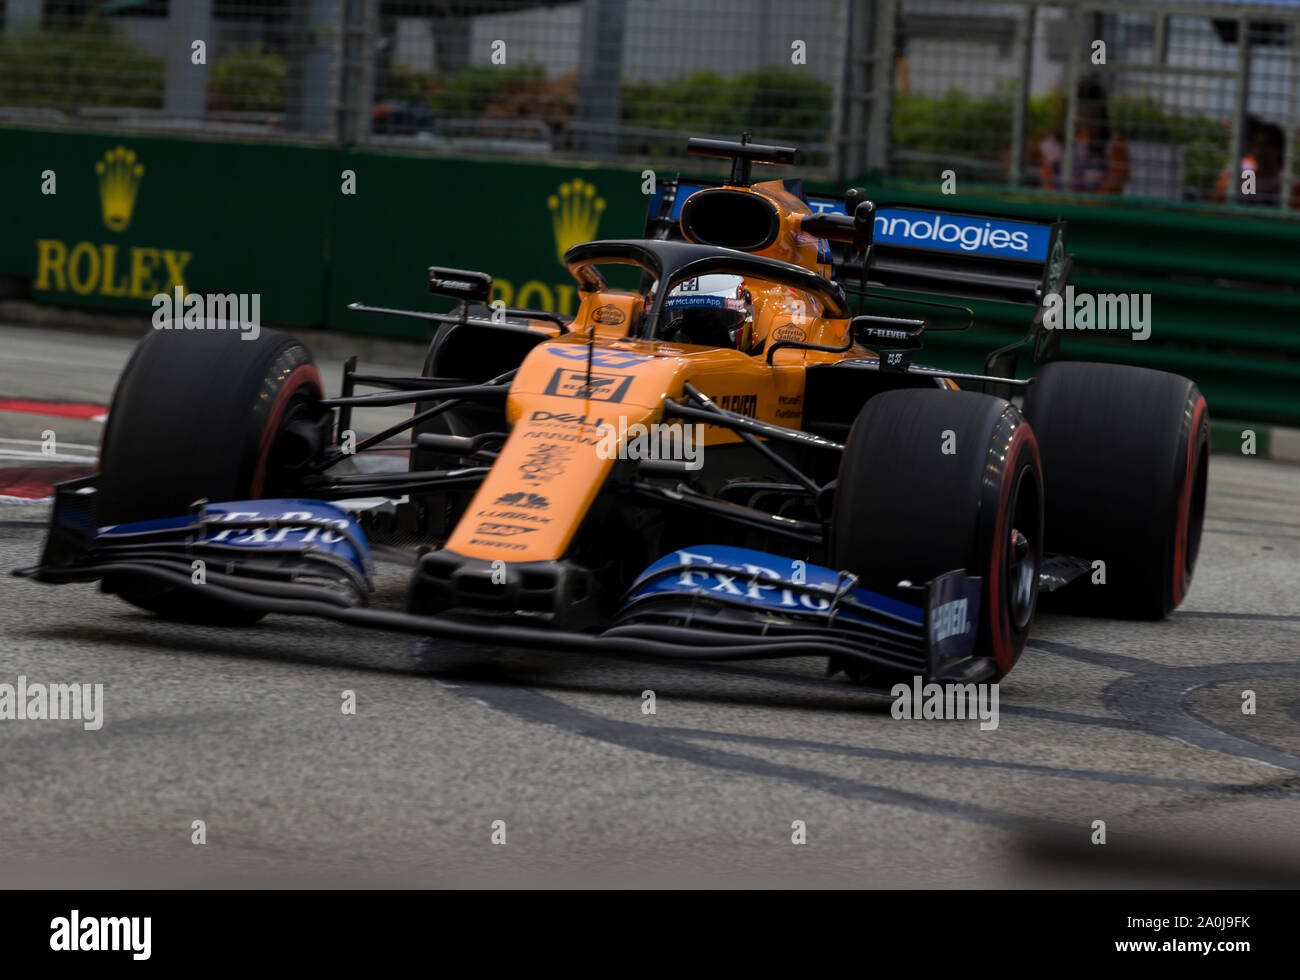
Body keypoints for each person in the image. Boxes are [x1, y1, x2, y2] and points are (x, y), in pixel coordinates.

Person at [1039, 78, 1130, 194]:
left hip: (1097, 210)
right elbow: (1047, 184)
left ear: (1100, 108)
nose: (1081, 108)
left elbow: (1116, 181)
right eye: (1078, 102)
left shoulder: (1114, 144)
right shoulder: (1054, 144)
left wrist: (1084, 204)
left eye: (1087, 102)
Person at [1209, 119, 1300, 208]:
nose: (1260, 151)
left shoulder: (1290, 184)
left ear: (1278, 149)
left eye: (1266, 146)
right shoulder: (1246, 178)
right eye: (1256, 145)